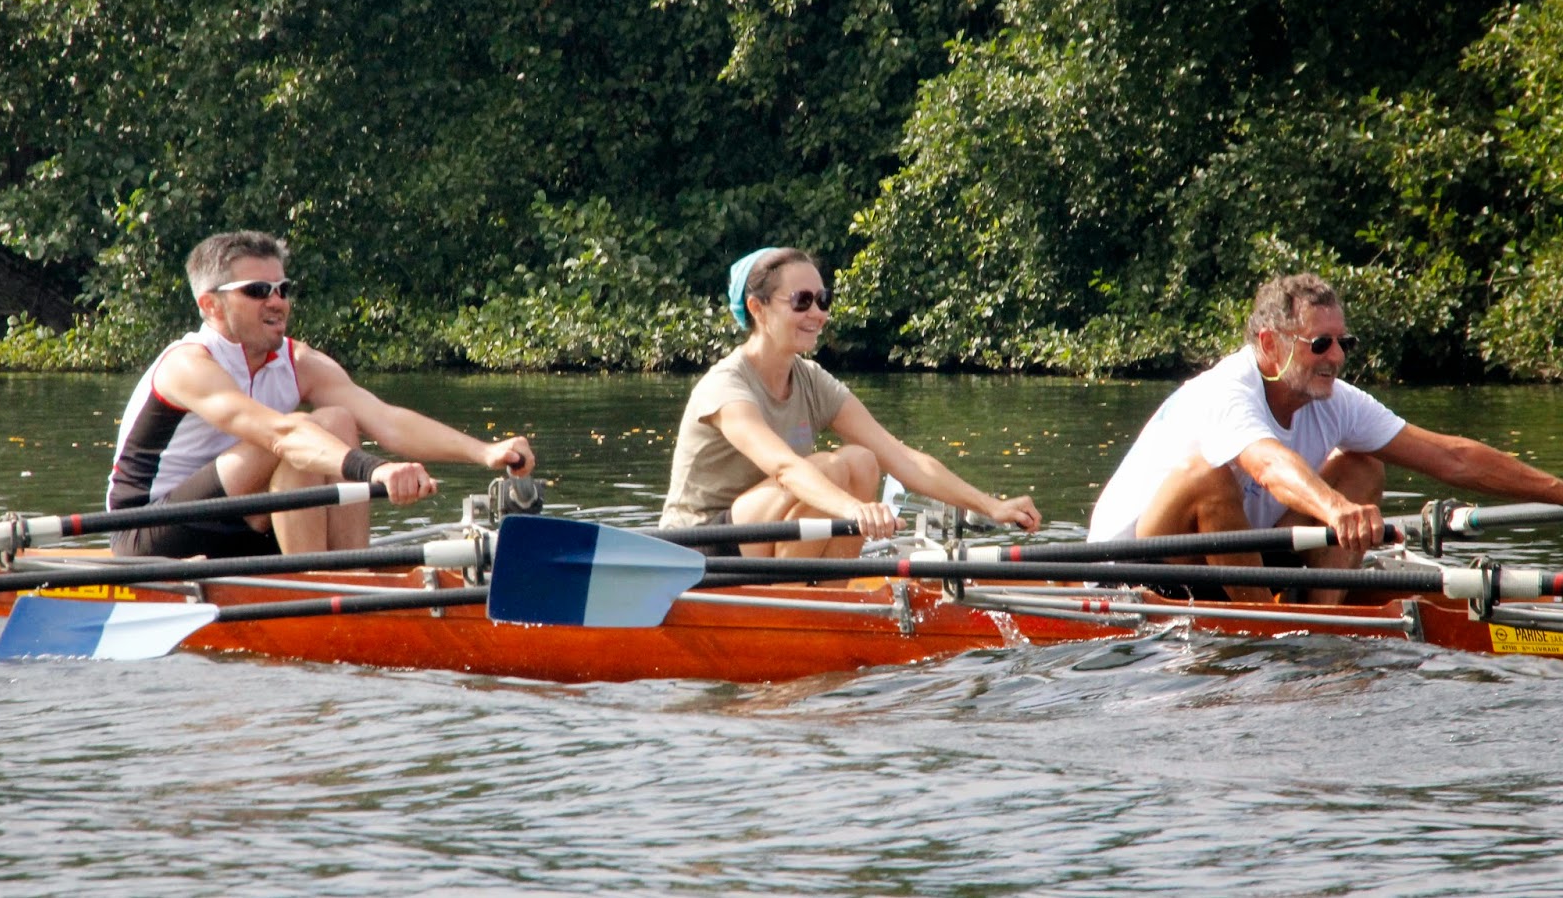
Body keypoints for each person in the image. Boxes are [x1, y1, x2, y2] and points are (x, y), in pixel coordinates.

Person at [1087, 272, 1563, 604]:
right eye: (1320, 344)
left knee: (1362, 466)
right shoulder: (1225, 389)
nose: (1335, 357)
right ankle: (1269, 628)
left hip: (1233, 559)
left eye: (1343, 343)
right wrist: (1335, 509)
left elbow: (1451, 458)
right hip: (1138, 570)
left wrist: (1557, 492)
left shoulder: (1336, 400)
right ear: (1271, 345)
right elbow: (1268, 466)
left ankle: (1322, 616)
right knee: (1208, 474)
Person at [106, 230, 533, 558]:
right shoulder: (188, 365)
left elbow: (385, 420)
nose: (276, 302)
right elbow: (281, 435)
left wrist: (485, 452)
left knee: (337, 420)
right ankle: (323, 583)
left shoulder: (300, 362)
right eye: (257, 291)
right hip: (150, 531)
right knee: (301, 433)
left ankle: (348, 574)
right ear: (211, 306)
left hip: (243, 520)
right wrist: (377, 472)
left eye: (282, 289)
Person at [659, 246, 1042, 558]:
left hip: (760, 537)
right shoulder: (725, 386)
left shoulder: (811, 380)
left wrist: (989, 506)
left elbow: (901, 456)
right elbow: (785, 468)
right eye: (801, 301)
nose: (817, 314)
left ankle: (828, 594)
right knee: (827, 466)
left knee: (862, 459)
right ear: (757, 308)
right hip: (693, 550)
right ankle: (793, 605)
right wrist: (854, 510)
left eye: (822, 300)